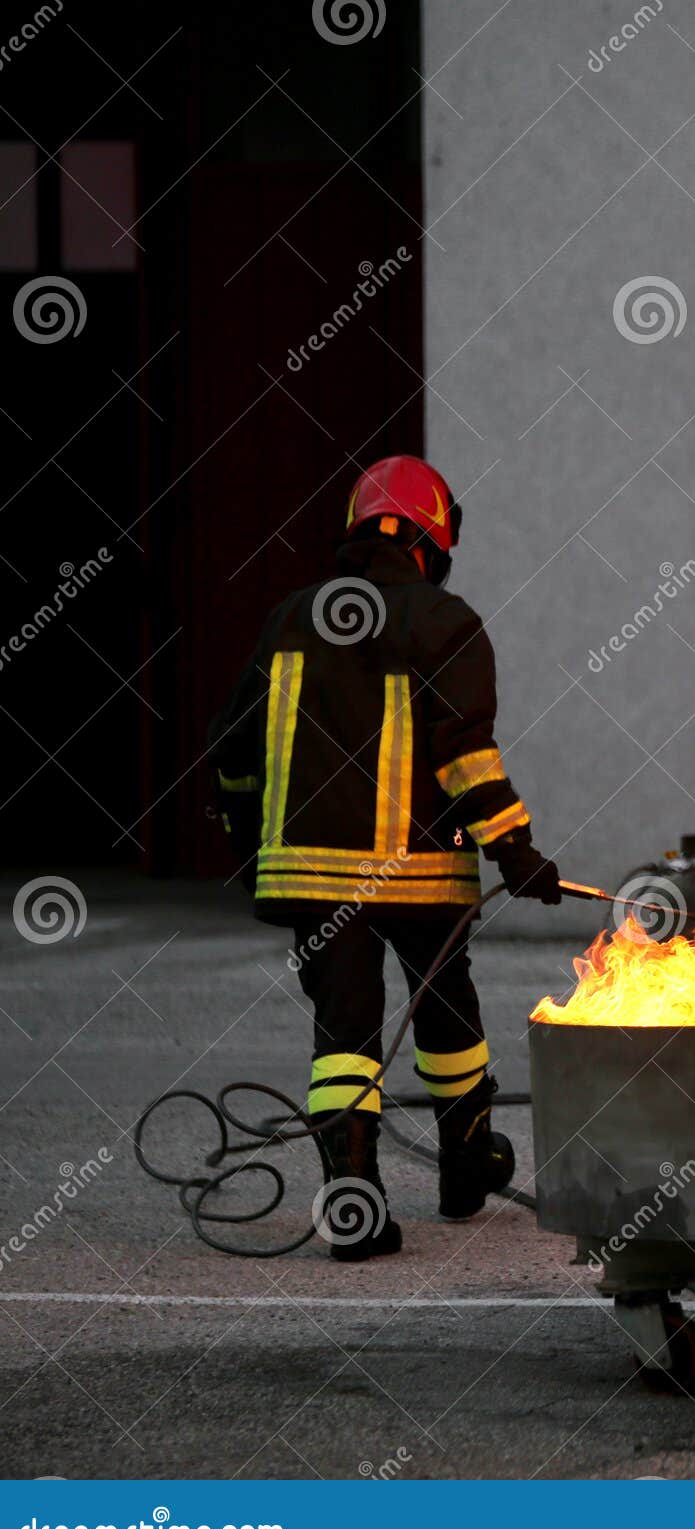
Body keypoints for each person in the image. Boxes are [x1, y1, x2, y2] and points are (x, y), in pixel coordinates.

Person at [208, 455, 563, 1260]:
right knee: (445, 1013)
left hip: (309, 875)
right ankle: (466, 1164)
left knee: (344, 1033)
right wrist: (518, 852)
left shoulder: (289, 621)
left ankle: (353, 1206)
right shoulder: (444, 622)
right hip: (421, 875)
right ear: (432, 541)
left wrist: (248, 846)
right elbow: (463, 757)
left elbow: (231, 751)